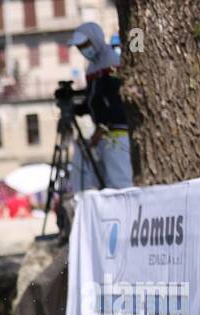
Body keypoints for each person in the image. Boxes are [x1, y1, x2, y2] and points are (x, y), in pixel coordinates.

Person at [68, 22, 133, 190]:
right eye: (80, 47)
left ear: (95, 40)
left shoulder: (111, 60)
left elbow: (114, 102)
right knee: (103, 184)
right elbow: (94, 101)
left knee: (119, 183)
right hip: (103, 134)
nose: (83, 50)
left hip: (116, 132)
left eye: (85, 45)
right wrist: (74, 106)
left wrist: (102, 127)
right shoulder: (92, 67)